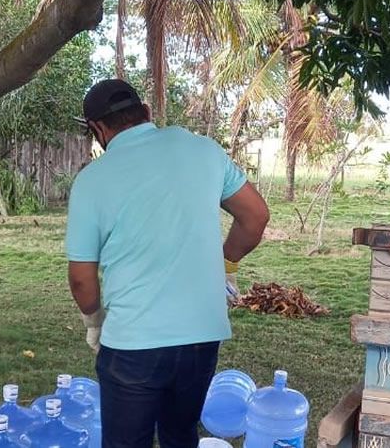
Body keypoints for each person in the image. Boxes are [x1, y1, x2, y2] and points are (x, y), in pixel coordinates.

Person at [65, 79, 270, 448]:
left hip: (132, 344)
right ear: (146, 113)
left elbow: (82, 279)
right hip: (201, 338)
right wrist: (227, 265)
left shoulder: (92, 180)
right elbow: (255, 217)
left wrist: (94, 323)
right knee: (180, 436)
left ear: (97, 129)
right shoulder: (205, 151)